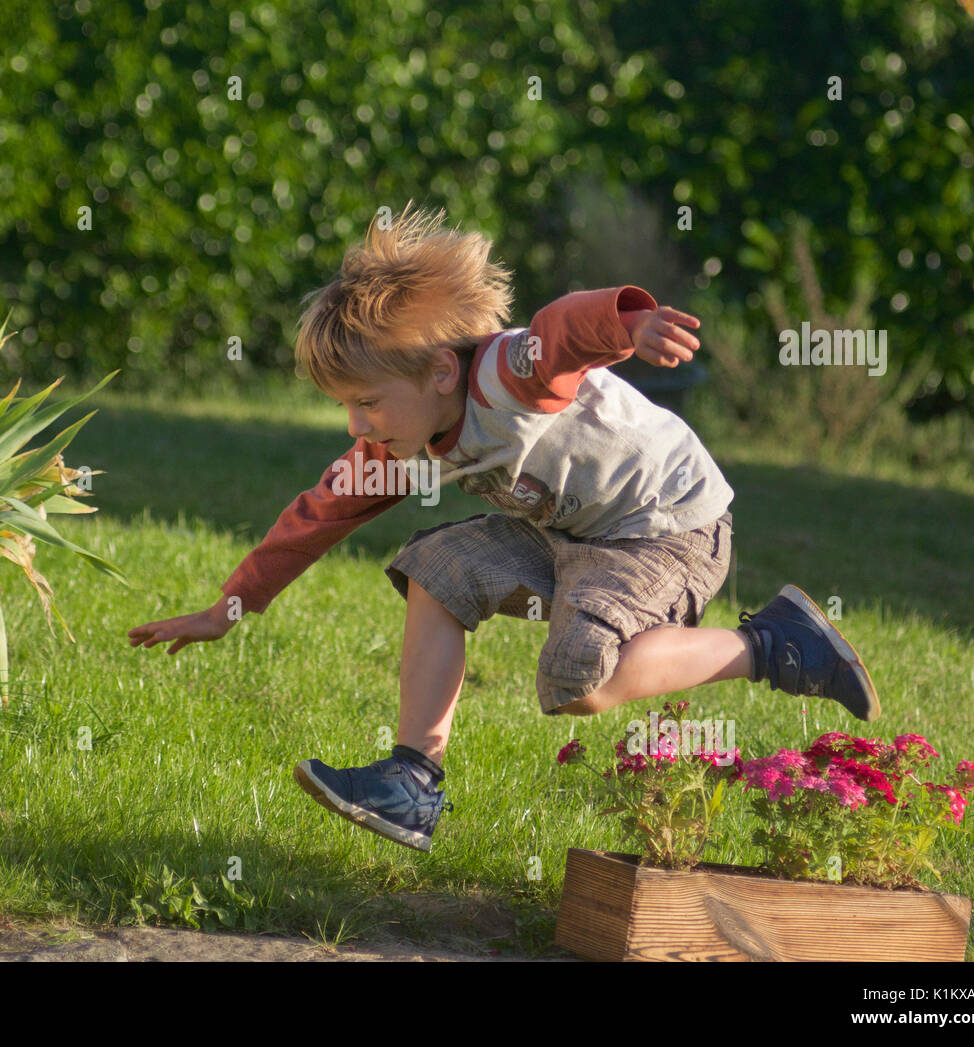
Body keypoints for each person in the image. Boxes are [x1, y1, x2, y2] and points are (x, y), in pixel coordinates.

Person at [128, 202, 879, 852]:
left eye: (368, 402)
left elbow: (560, 333)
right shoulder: (403, 442)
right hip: (569, 534)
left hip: (666, 527)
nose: (358, 425)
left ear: (441, 374)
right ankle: (412, 781)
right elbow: (317, 515)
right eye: (345, 408)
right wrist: (230, 606)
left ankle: (774, 645)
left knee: (575, 680)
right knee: (437, 568)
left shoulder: (506, 376)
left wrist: (630, 320)